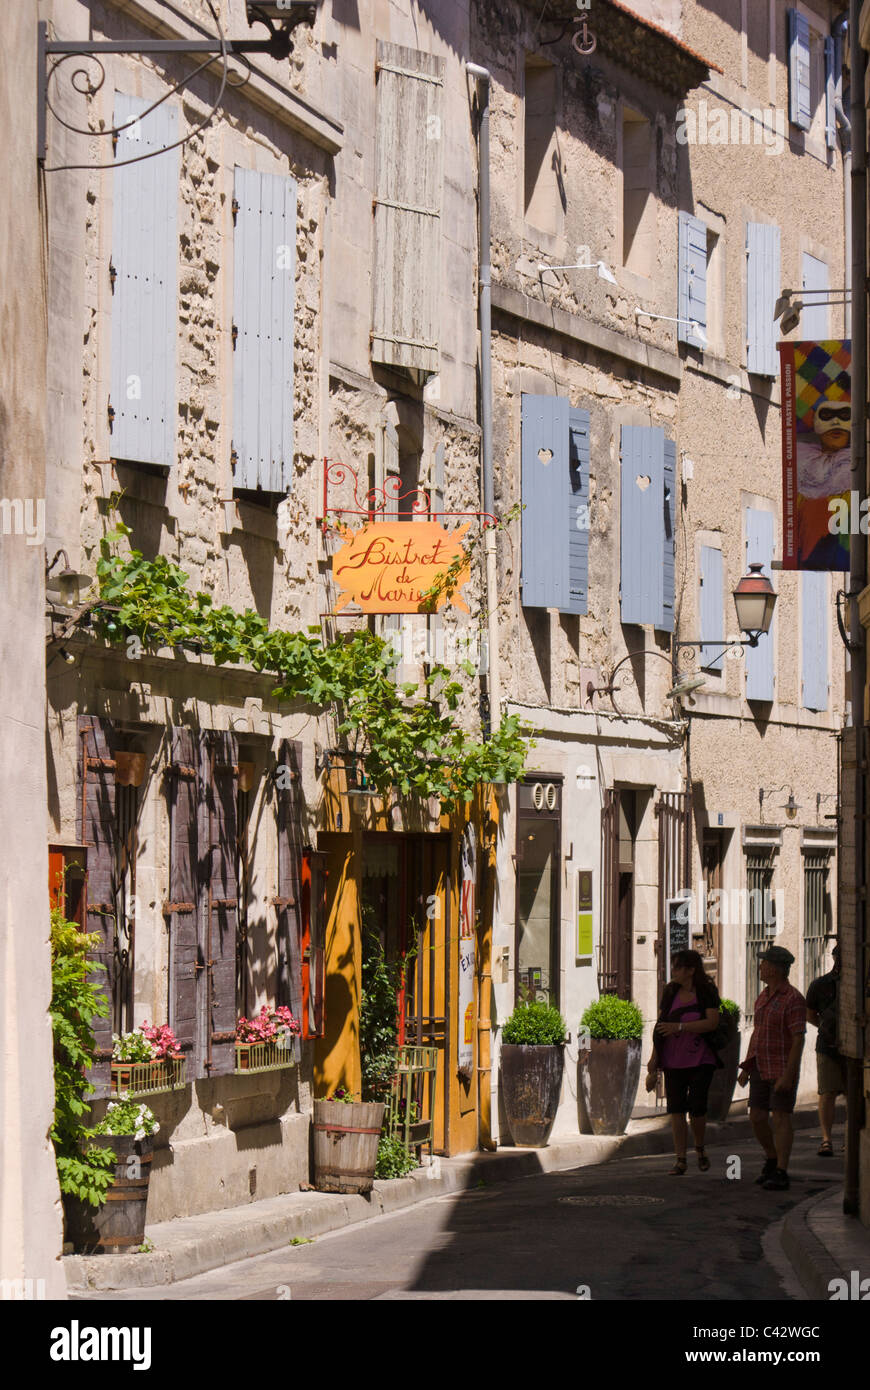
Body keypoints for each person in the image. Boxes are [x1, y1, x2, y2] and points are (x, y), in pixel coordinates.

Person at [645, 950, 721, 1175]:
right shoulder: (670, 992)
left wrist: (680, 1027)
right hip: (672, 1059)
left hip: (701, 1059)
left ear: (690, 970)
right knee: (676, 1110)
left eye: (678, 967)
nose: (674, 971)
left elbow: (712, 1023)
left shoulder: (706, 991)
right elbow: (661, 1026)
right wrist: (654, 1059)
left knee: (697, 1108)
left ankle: (699, 1147)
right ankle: (680, 1159)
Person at [738, 945, 806, 1191]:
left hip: (780, 1067)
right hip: (760, 1066)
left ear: (776, 969)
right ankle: (771, 1157)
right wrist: (747, 1066)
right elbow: (758, 1034)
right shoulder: (763, 996)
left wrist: (789, 1074)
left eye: (764, 963)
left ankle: (781, 1171)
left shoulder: (794, 999)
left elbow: (798, 1038)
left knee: (780, 1117)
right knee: (756, 1117)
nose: (760, 967)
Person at [805, 943, 846, 1157]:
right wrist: (827, 1028)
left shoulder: (858, 985)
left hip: (854, 1046)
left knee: (853, 1094)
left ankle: (850, 1138)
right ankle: (826, 1139)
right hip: (827, 1045)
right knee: (827, 1092)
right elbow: (810, 1014)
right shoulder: (820, 985)